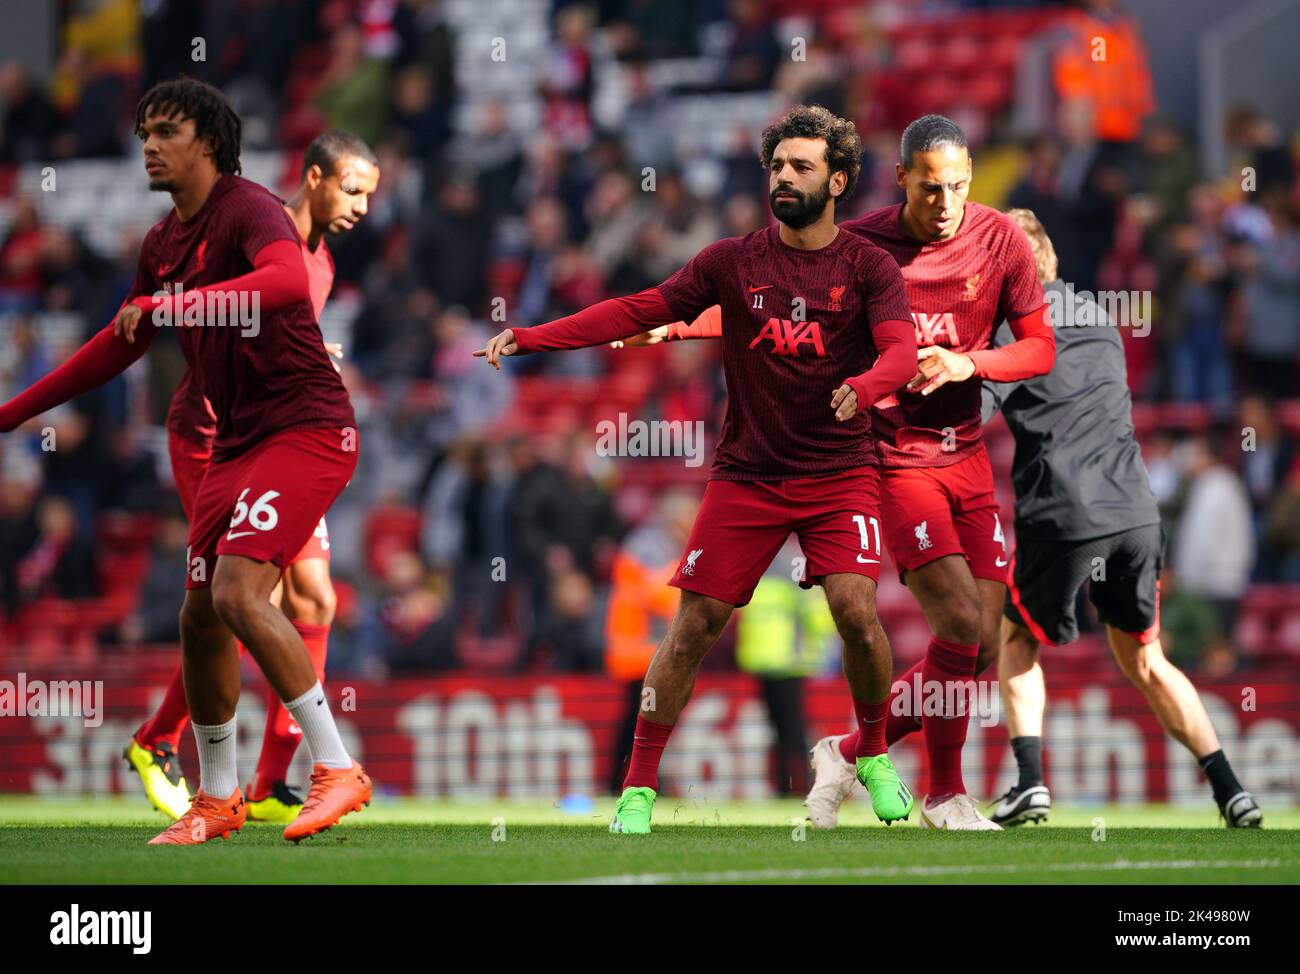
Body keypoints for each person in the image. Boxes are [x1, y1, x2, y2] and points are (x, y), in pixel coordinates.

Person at [476, 104, 920, 834]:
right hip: (747, 474)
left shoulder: (868, 267)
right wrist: (533, 339)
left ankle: (869, 752)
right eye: (777, 165)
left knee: (856, 613)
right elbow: (637, 310)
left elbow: (900, 351)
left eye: (802, 167)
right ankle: (638, 789)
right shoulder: (731, 261)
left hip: (840, 471)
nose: (784, 177)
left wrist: (869, 386)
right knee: (693, 627)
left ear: (837, 180)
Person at [626, 115, 1056, 830]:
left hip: (968, 454)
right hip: (889, 453)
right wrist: (673, 325)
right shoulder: (861, 247)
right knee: (951, 618)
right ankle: (945, 793)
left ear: (972, 177)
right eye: (929, 188)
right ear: (901, 179)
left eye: (956, 186)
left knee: (979, 642)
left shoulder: (1000, 240)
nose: (944, 202)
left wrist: (968, 362)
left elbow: (1039, 350)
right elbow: (768, 309)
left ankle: (852, 750)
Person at [0, 78, 372, 844]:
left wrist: (171, 307)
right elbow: (117, 343)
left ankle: (335, 767)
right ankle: (220, 796)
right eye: (144, 133)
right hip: (227, 439)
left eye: (164, 131)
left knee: (246, 595)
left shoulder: (250, 208)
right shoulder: (163, 242)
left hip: (304, 429)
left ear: (206, 140)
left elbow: (274, 284)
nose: (148, 145)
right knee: (199, 616)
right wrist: (12, 414)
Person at [124, 128, 380, 825]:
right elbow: (199, 311)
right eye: (354, 189)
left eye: (371, 197)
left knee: (314, 597)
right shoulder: (253, 223)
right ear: (317, 175)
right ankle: (162, 742)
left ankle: (268, 781)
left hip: (278, 437)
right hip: (210, 434)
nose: (362, 207)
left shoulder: (321, 265)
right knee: (231, 600)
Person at [981, 208, 1260, 828]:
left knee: (1018, 636)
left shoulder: (1007, 331)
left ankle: (1029, 783)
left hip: (1062, 508)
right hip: (1134, 509)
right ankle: (1231, 789)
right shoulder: (1100, 318)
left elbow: (970, 414)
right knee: (1146, 659)